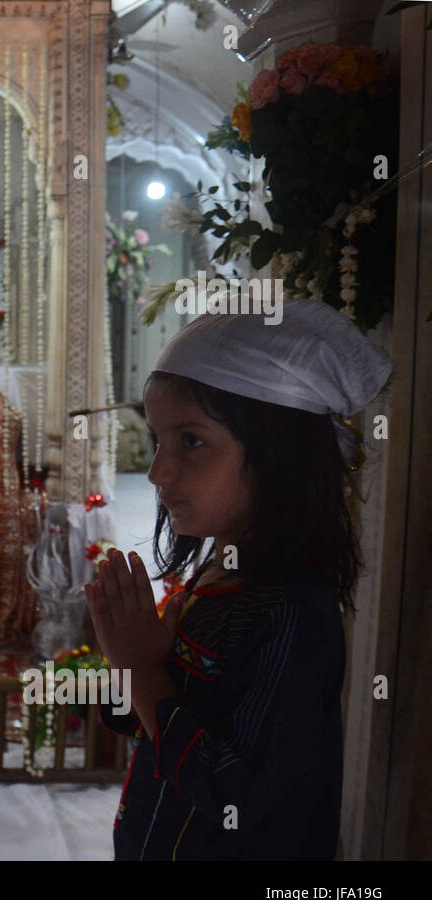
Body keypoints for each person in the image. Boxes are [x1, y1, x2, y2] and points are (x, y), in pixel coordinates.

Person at [85, 298, 391, 860]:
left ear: (281, 457)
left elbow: (232, 788)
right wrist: (129, 660)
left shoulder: (293, 614)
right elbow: (151, 718)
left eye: (191, 441)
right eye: (158, 440)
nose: (157, 472)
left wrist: (143, 669)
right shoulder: (215, 575)